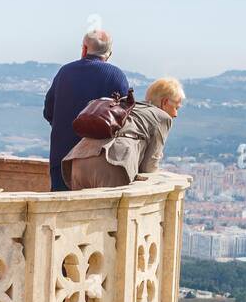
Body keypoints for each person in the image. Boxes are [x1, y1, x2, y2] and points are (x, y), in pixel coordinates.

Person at [43, 30, 128, 193]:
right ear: (109, 54)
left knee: (60, 212)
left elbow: (48, 111)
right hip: (97, 161)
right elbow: (125, 119)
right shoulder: (116, 77)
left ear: (84, 48)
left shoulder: (64, 72)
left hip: (61, 157)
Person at [62, 77, 185, 189]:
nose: (176, 114)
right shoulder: (162, 117)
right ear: (165, 102)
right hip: (111, 164)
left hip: (78, 160)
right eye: (176, 108)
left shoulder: (129, 106)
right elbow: (149, 166)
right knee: (109, 214)